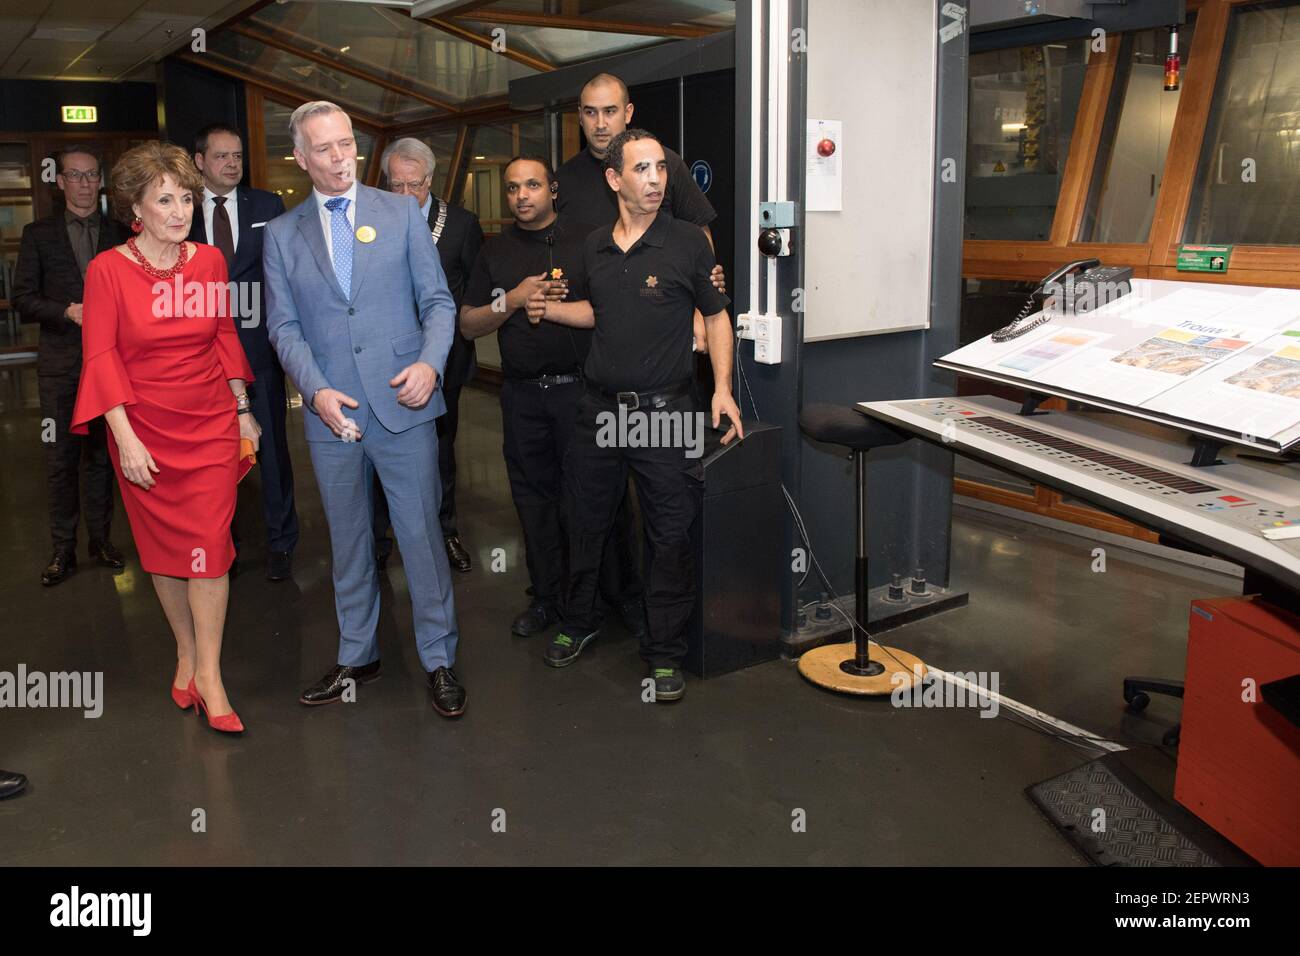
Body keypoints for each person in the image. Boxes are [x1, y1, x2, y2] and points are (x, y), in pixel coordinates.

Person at [264, 101, 466, 718]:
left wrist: (431, 364)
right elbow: (283, 326)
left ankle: (439, 659)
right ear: (301, 158)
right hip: (333, 416)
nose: (339, 157)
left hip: (404, 406)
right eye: (323, 149)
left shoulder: (401, 212)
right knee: (348, 540)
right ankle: (359, 655)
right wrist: (317, 390)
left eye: (346, 143)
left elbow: (439, 304)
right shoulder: (280, 234)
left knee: (421, 537)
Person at [535, 129, 743, 702]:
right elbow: (595, 311)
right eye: (642, 169)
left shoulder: (688, 243)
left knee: (669, 533)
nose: (655, 179)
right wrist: (549, 312)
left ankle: (667, 653)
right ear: (614, 179)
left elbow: (718, 318)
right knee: (585, 523)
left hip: (667, 411)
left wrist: (721, 388)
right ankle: (579, 622)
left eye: (660, 169)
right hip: (600, 411)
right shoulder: (595, 245)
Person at [71, 141, 259, 733]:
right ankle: (185, 651)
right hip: (143, 427)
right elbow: (100, 357)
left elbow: (225, 334)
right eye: (165, 200)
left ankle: (209, 672)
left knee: (210, 547)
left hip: (207, 425)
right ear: (136, 207)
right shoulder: (107, 271)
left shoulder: (208, 262)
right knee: (165, 554)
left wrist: (243, 409)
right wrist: (123, 437)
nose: (179, 212)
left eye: (186, 199)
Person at [189, 123, 300, 582]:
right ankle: (222, 545)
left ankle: (281, 543)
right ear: (199, 162)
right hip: (200, 353)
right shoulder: (180, 209)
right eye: (222, 156)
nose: (232, 163)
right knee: (214, 455)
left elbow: (284, 272)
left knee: (270, 444)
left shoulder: (268, 206)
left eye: (237, 156)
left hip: (258, 348)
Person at [13, 145, 126, 586]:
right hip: (62, 368)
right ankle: (63, 550)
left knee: (103, 459)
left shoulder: (120, 234)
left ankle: (101, 541)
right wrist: (67, 311)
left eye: (92, 175)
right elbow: (23, 299)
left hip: (111, 367)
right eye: (75, 176)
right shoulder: (37, 234)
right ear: (59, 183)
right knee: (61, 461)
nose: (84, 183)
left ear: (101, 181)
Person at [373, 137, 483, 575]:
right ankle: (381, 538)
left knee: (441, 449)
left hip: (443, 364)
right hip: (385, 362)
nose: (403, 195)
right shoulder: (371, 221)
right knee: (381, 447)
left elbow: (472, 293)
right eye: (395, 185)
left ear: (430, 180)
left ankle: (446, 529)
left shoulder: (460, 224)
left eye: (413, 186)